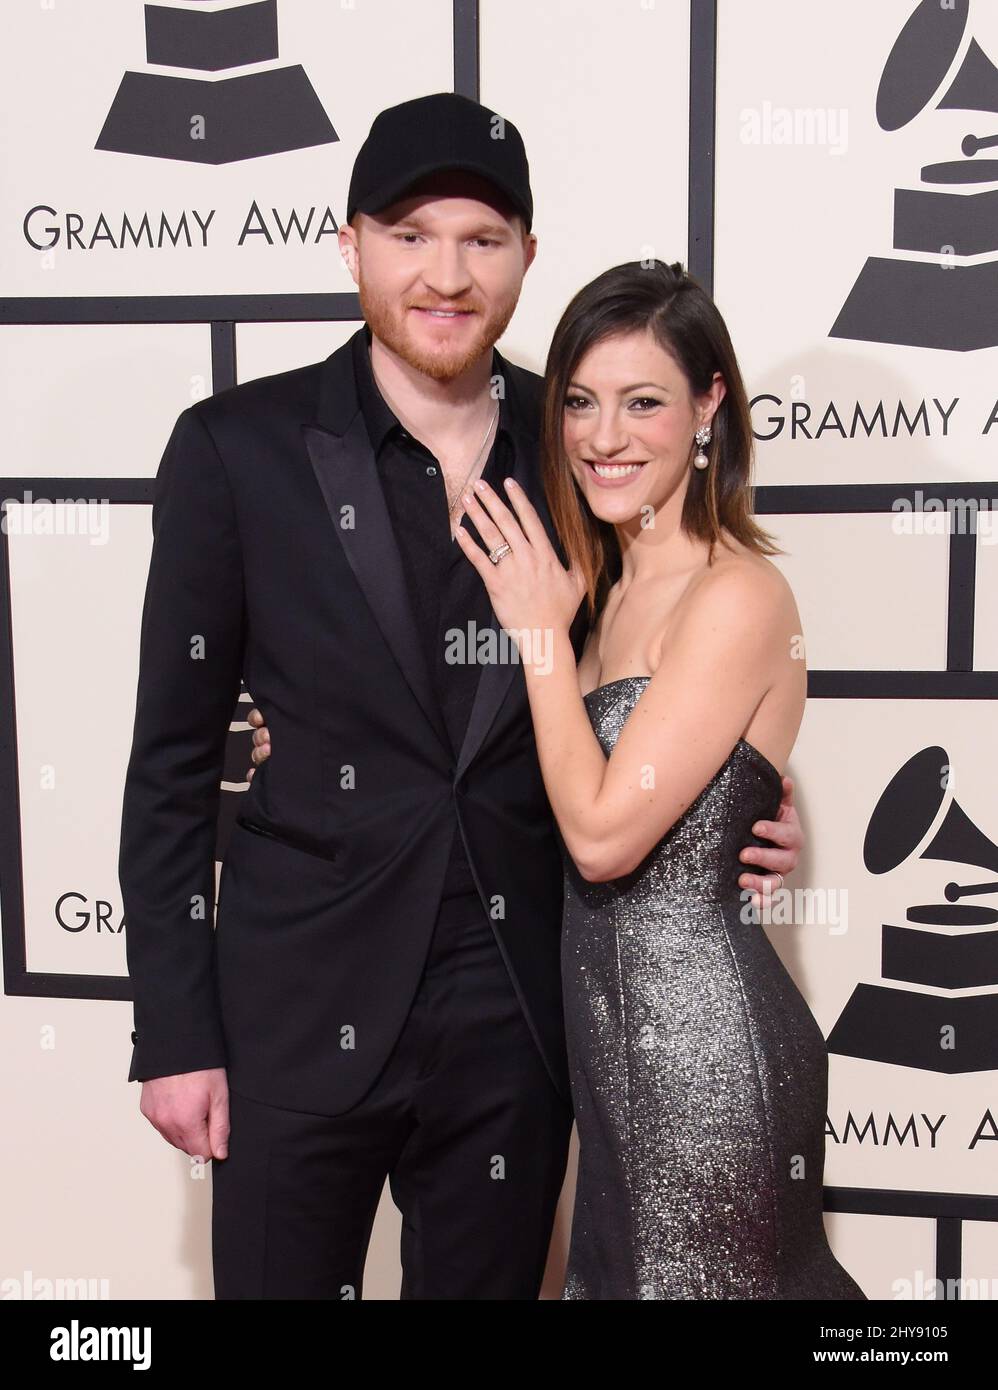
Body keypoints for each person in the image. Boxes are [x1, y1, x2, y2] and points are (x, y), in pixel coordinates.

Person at [119, 92, 803, 1301]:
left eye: (482, 239)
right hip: (295, 1019)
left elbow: (668, 665)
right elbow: (170, 764)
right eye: (409, 233)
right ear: (349, 244)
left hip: (519, 1020)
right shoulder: (237, 448)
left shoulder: (580, 444)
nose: (446, 273)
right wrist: (174, 1032)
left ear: (527, 259)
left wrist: (744, 799)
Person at [444, 257, 866, 1299]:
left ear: (708, 405)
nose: (602, 436)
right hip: (608, 1056)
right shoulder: (596, 585)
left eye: (643, 402)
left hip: (705, 1059)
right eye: (580, 403)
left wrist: (539, 637)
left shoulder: (736, 594)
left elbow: (599, 835)